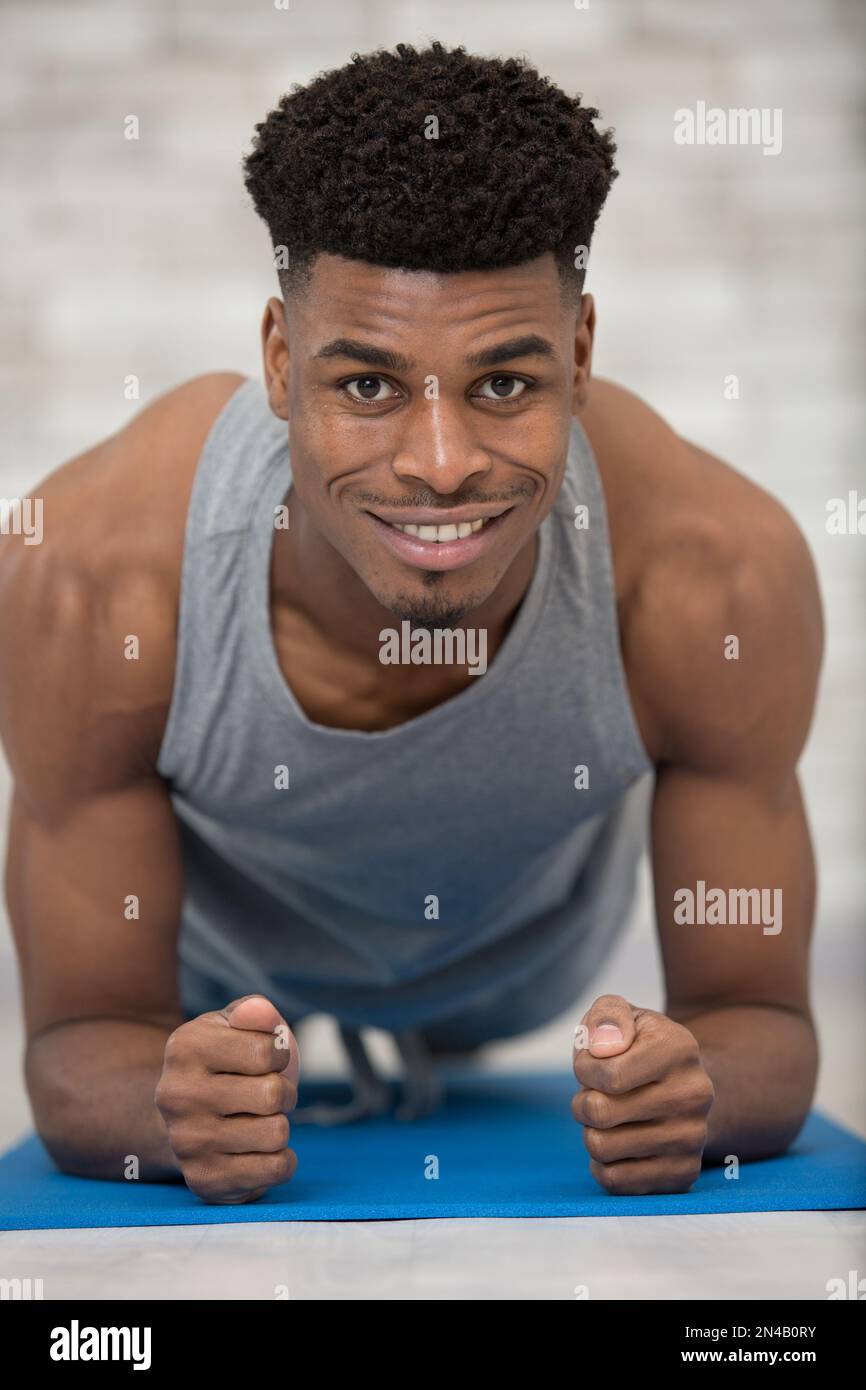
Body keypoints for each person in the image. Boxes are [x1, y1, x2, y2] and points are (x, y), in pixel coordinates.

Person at [0, 42, 822, 1205]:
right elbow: (81, 1038)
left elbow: (760, 1022)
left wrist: (693, 1088)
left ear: (578, 357)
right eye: (368, 385)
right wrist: (169, 1104)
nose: (440, 467)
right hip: (228, 976)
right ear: (280, 364)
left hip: (516, 975)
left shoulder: (714, 576)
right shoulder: (86, 578)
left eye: (501, 384)